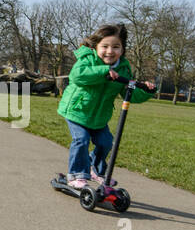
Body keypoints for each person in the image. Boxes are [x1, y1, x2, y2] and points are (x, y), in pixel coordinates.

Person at [57, 24, 155, 187]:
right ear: (96, 46)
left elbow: (127, 93)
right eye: (105, 46)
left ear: (122, 50)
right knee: (81, 139)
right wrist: (103, 72)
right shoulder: (88, 59)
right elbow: (77, 76)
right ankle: (76, 175)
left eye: (116, 47)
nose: (110, 51)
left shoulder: (123, 68)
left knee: (106, 142)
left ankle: (95, 169)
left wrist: (146, 90)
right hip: (77, 111)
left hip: (99, 117)